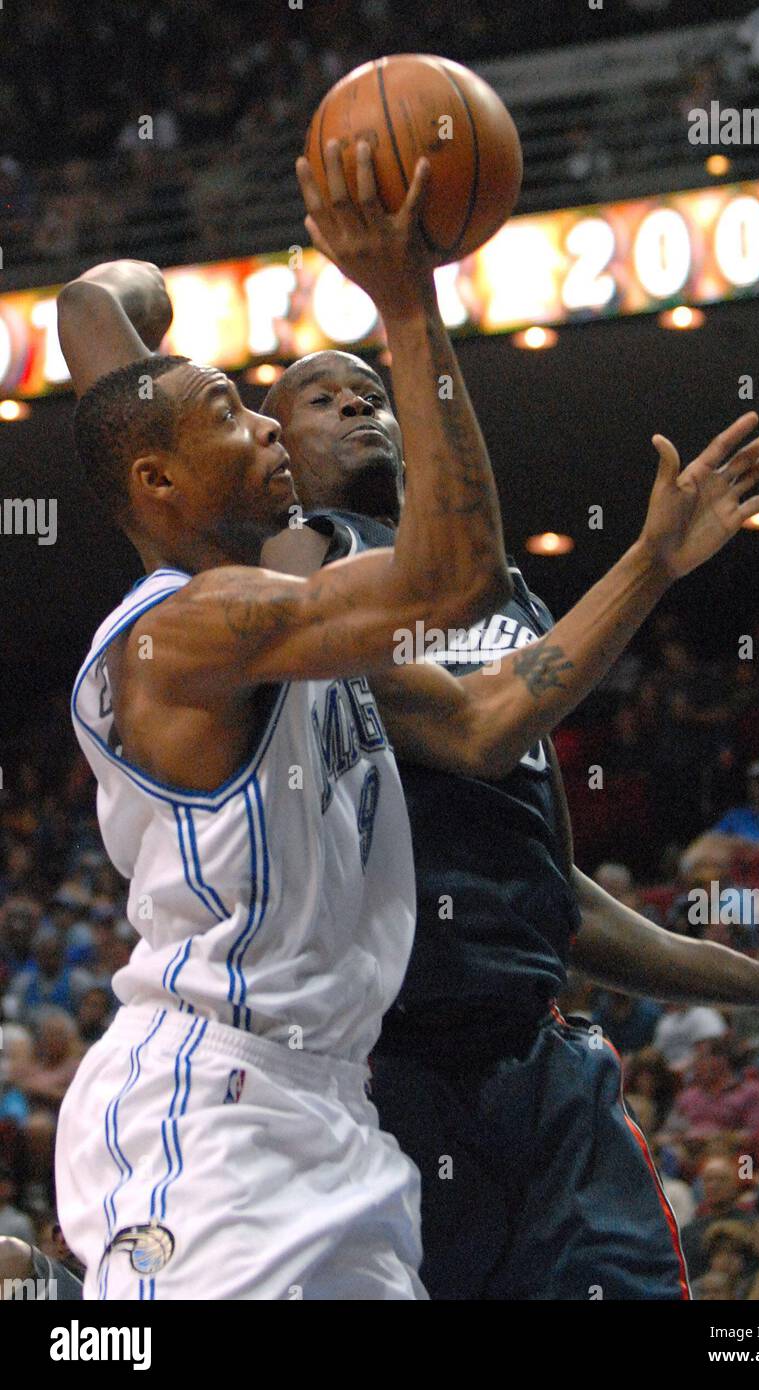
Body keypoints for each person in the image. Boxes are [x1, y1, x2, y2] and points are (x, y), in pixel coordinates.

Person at [259, 347, 759, 1298]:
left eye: (371, 396)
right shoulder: (297, 568)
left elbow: (559, 894)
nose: (353, 407)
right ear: (276, 455)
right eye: (320, 400)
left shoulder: (502, 593)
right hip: (383, 1071)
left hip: (537, 1060)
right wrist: (649, 560)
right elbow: (481, 732)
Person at [50, 142, 512, 1300]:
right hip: (205, 1107)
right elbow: (455, 579)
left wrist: (136, 306)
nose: (263, 423)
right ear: (158, 485)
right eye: (229, 413)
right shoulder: (201, 625)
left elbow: (92, 311)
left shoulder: (276, 612)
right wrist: (406, 302)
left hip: (335, 1114)